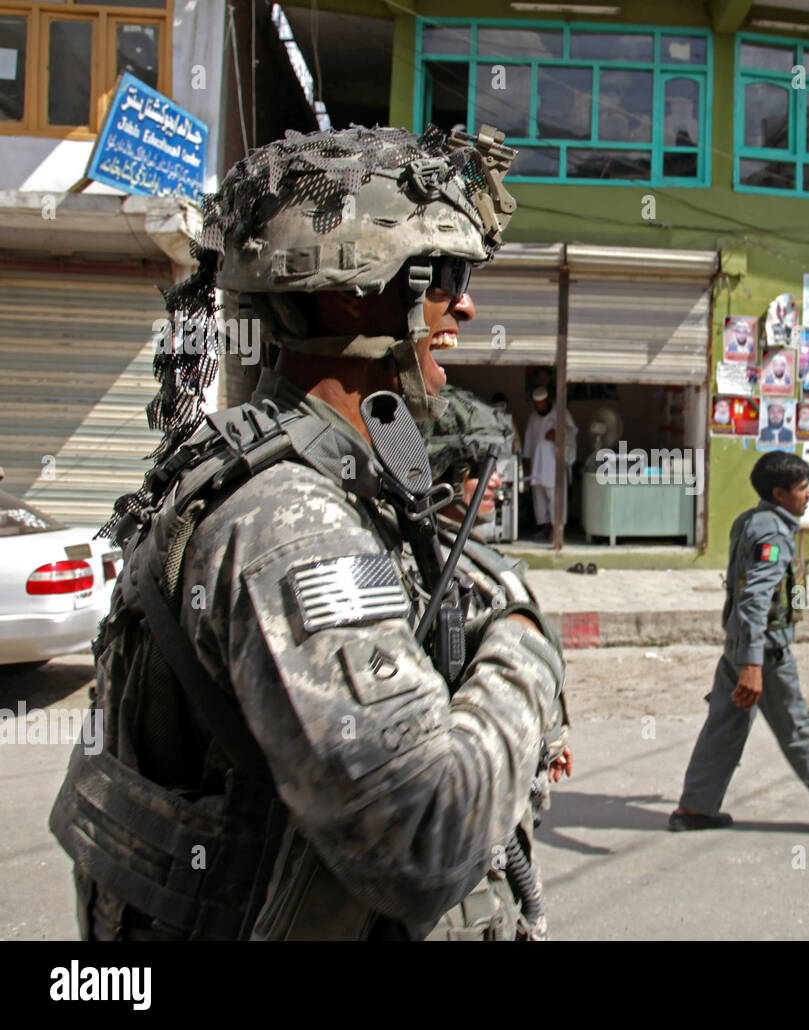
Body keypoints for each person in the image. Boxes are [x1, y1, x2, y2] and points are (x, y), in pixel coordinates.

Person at [48, 124, 570, 941]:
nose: (465, 304)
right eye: (450, 275)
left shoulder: (277, 462)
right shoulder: (291, 523)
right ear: (353, 291)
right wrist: (525, 648)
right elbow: (422, 837)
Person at [420, 385, 574, 939]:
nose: (497, 483)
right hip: (467, 823)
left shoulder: (479, 561)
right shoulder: (425, 569)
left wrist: (551, 741)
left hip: (505, 802)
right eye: (479, 471)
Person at [669, 452, 809, 833]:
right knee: (798, 728)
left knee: (724, 727)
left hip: (741, 647)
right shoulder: (771, 533)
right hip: (763, 652)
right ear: (780, 494)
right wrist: (752, 665)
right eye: (802, 489)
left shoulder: (755, 520)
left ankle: (695, 809)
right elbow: (754, 599)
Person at [523, 386, 577, 542]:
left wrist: (558, 432)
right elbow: (528, 440)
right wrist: (526, 461)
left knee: (555, 497)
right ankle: (544, 527)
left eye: (542, 403)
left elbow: (573, 432)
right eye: (536, 404)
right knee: (539, 497)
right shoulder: (533, 417)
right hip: (536, 464)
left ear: (548, 401)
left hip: (555, 465)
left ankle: (556, 529)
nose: (539, 407)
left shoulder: (561, 414)